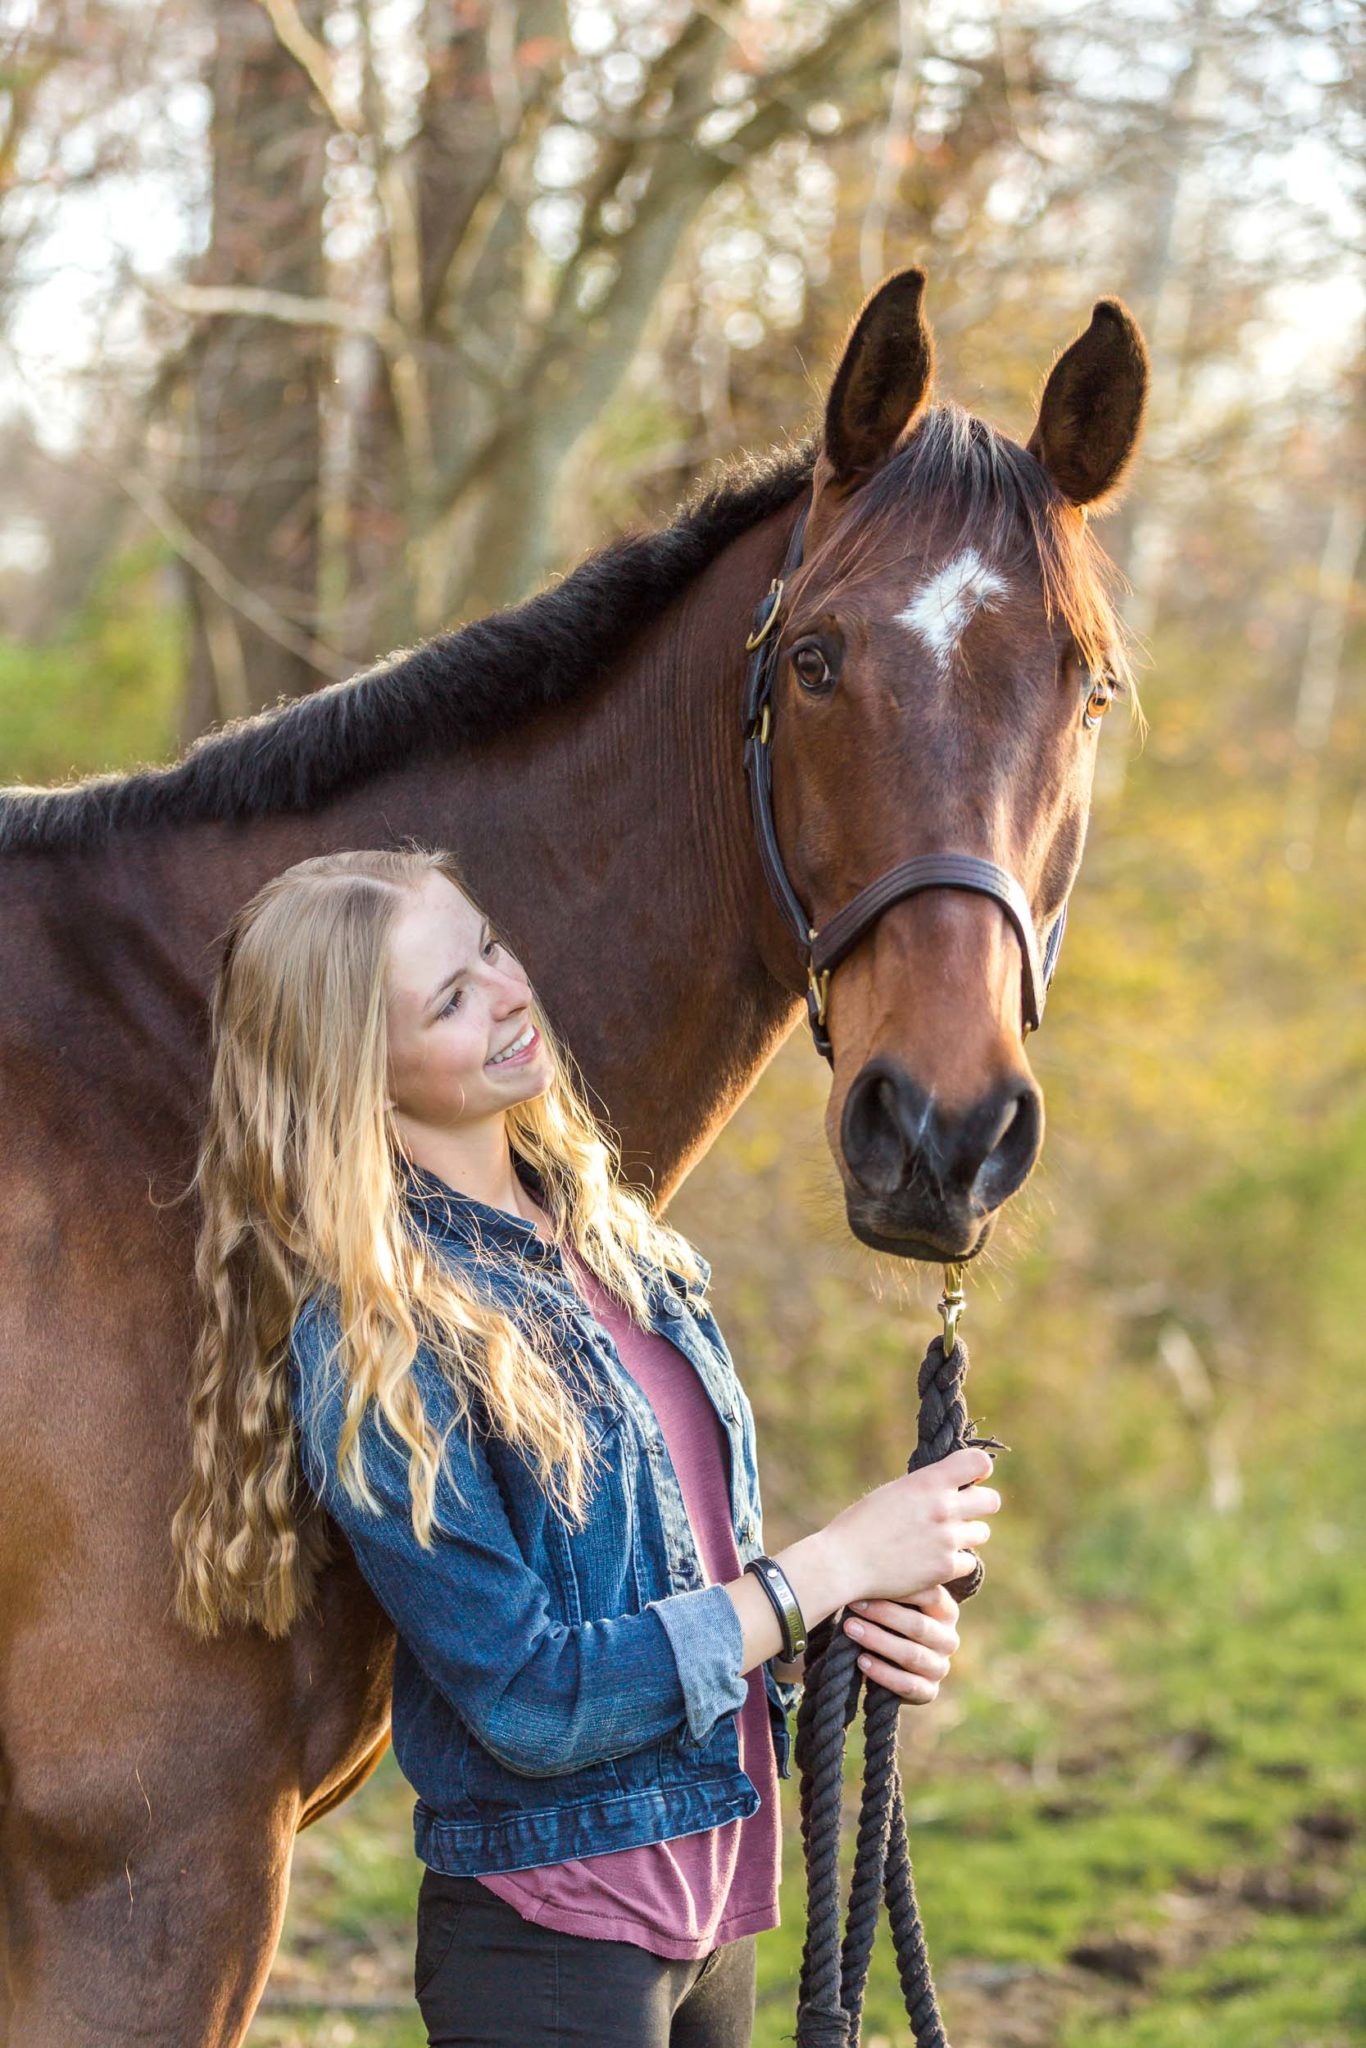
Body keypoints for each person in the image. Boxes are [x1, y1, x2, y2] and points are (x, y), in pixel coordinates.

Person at [169, 842, 1000, 2048]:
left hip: (715, 1902)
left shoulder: (624, 1248)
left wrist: (849, 1626)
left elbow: (677, 1594)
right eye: (448, 999)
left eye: (489, 949)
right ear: (361, 1073)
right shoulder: (376, 1339)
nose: (508, 992)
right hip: (552, 1943)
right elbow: (527, 1692)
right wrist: (818, 1569)